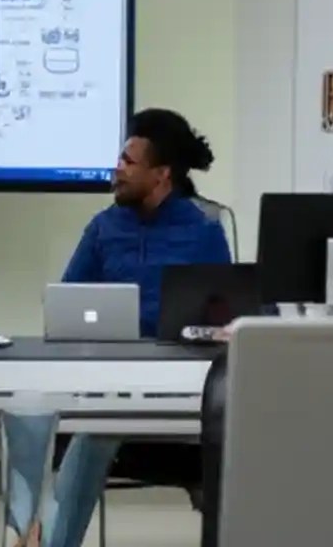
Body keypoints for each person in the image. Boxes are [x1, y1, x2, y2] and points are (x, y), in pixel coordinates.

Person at [51, 108, 232, 547]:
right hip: (118, 382)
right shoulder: (103, 227)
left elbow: (228, 312)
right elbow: (67, 302)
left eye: (129, 163)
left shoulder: (204, 229)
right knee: (93, 434)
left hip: (187, 386)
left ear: (161, 175)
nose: (118, 170)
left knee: (231, 447)